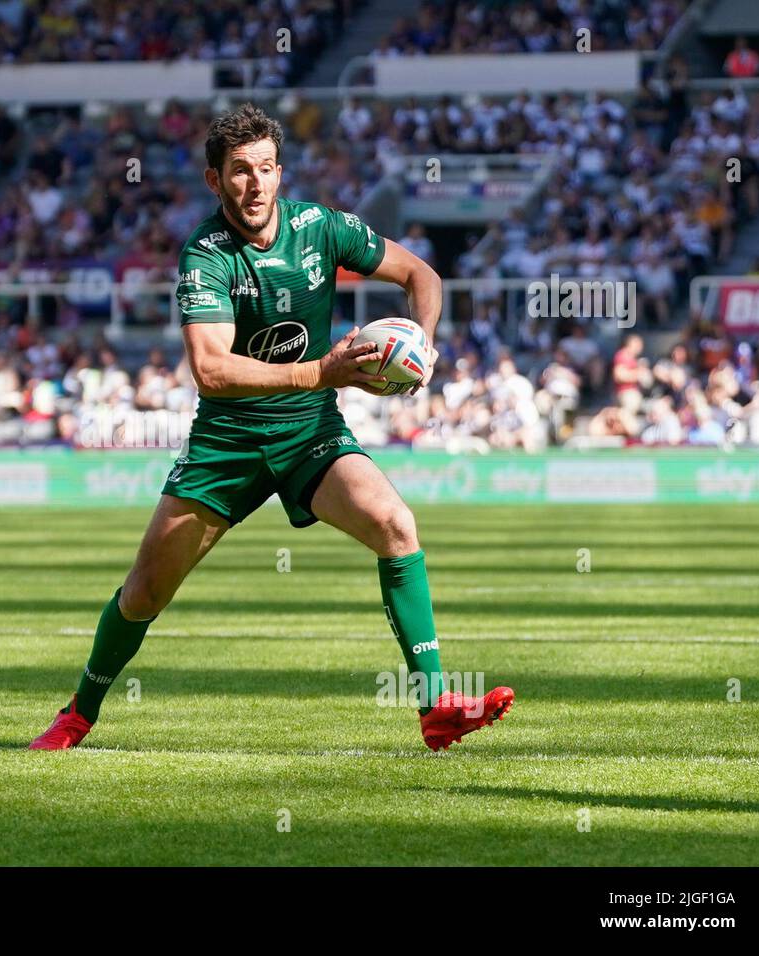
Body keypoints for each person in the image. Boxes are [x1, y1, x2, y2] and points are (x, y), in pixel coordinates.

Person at [29, 104, 513, 752]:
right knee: (144, 594)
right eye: (238, 172)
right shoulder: (206, 254)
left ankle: (435, 706)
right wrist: (323, 371)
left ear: (280, 172)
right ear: (214, 180)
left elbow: (420, 274)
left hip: (309, 432)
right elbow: (211, 370)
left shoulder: (322, 229)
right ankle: (79, 712)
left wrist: (420, 343)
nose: (254, 185)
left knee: (396, 525)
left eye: (264, 169)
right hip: (226, 444)